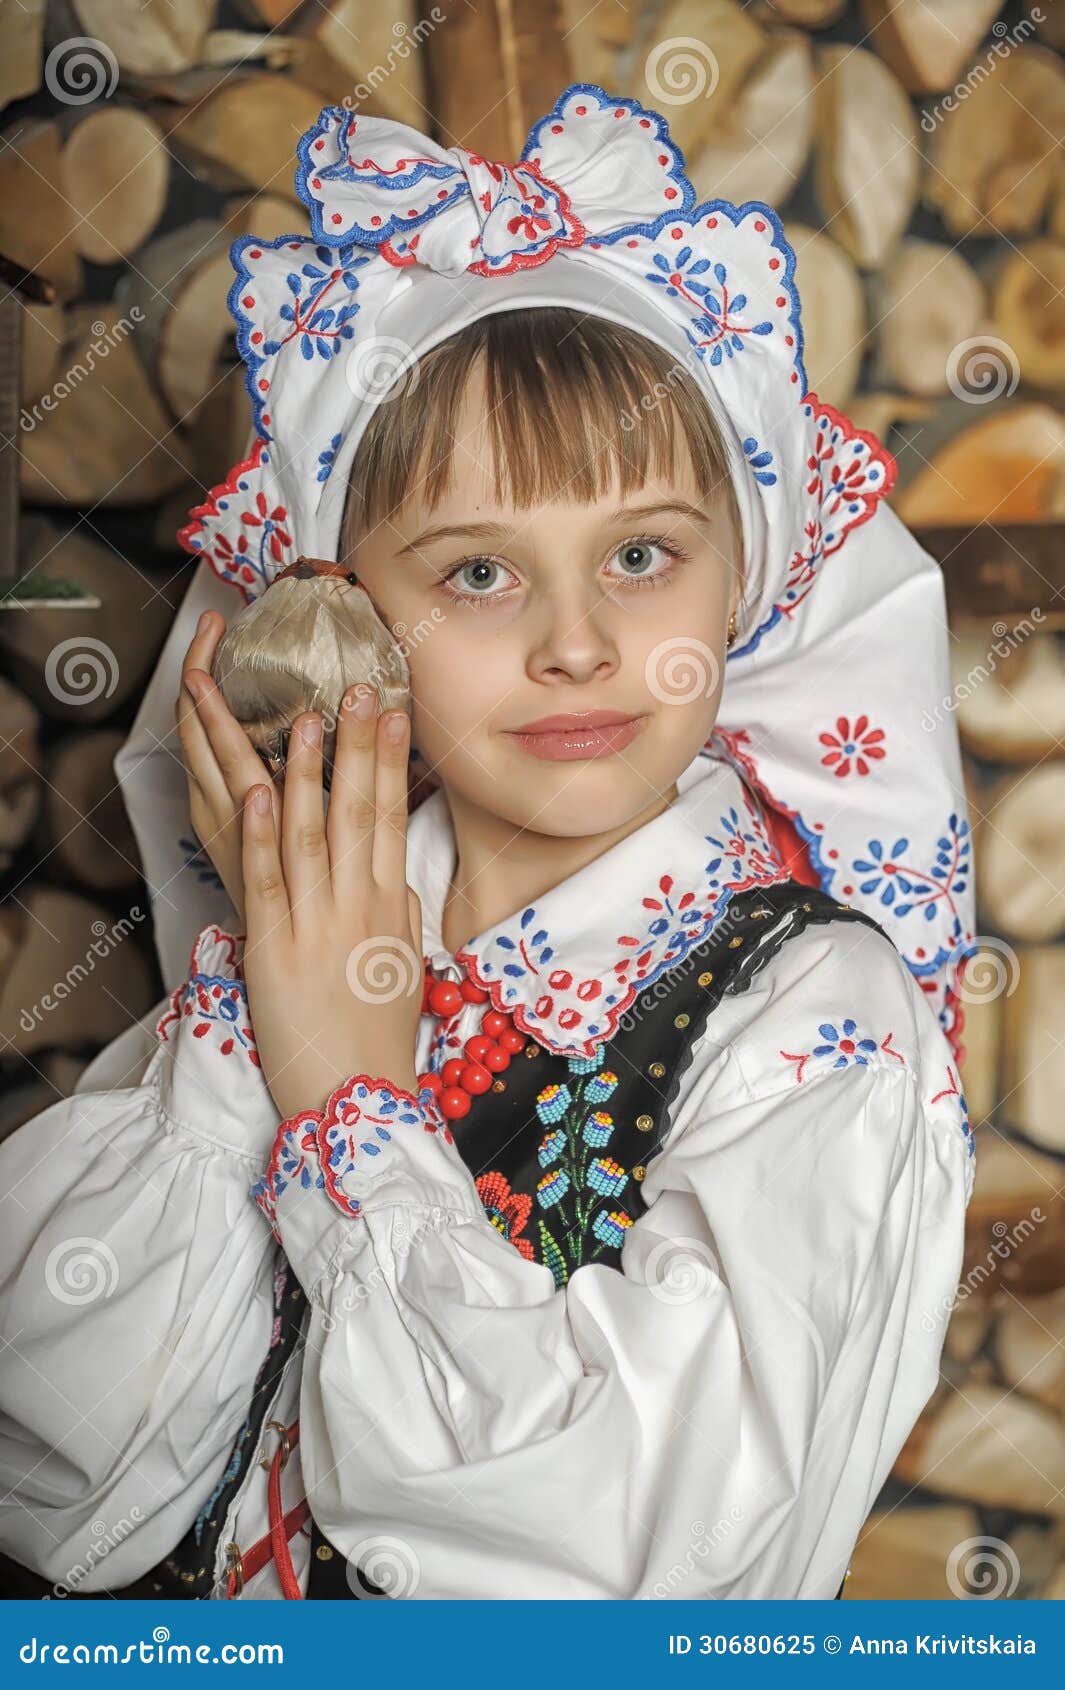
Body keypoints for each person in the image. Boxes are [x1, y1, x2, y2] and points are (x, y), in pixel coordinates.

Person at [0, 83, 976, 1602]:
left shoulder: (817, 1016)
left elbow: (625, 1564)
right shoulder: (304, 949)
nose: (578, 644)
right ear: (345, 616)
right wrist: (254, 1025)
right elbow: (58, 1484)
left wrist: (355, 1111)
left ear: (742, 584)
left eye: (641, 554)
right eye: (476, 572)